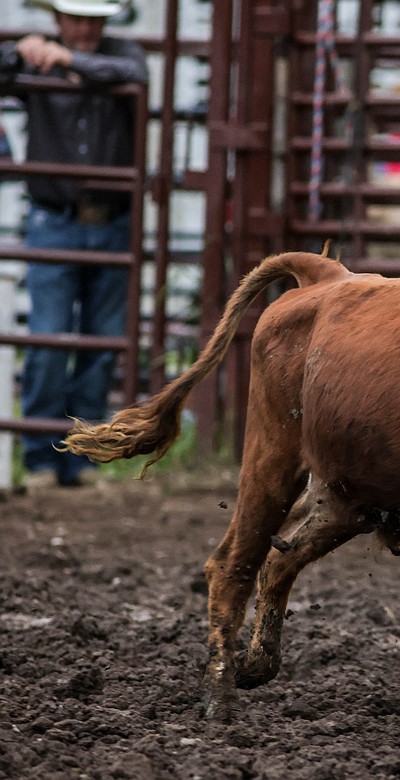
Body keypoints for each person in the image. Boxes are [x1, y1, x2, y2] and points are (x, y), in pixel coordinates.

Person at [0, 0, 148, 488]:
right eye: (76, 18)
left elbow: (133, 71)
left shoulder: (119, 55)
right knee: (50, 339)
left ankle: (81, 459)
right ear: (58, 20)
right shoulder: (37, 57)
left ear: (104, 21)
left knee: (99, 345)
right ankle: (43, 458)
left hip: (108, 220)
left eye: (93, 18)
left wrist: (64, 59)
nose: (84, 27)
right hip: (58, 218)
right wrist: (23, 51)